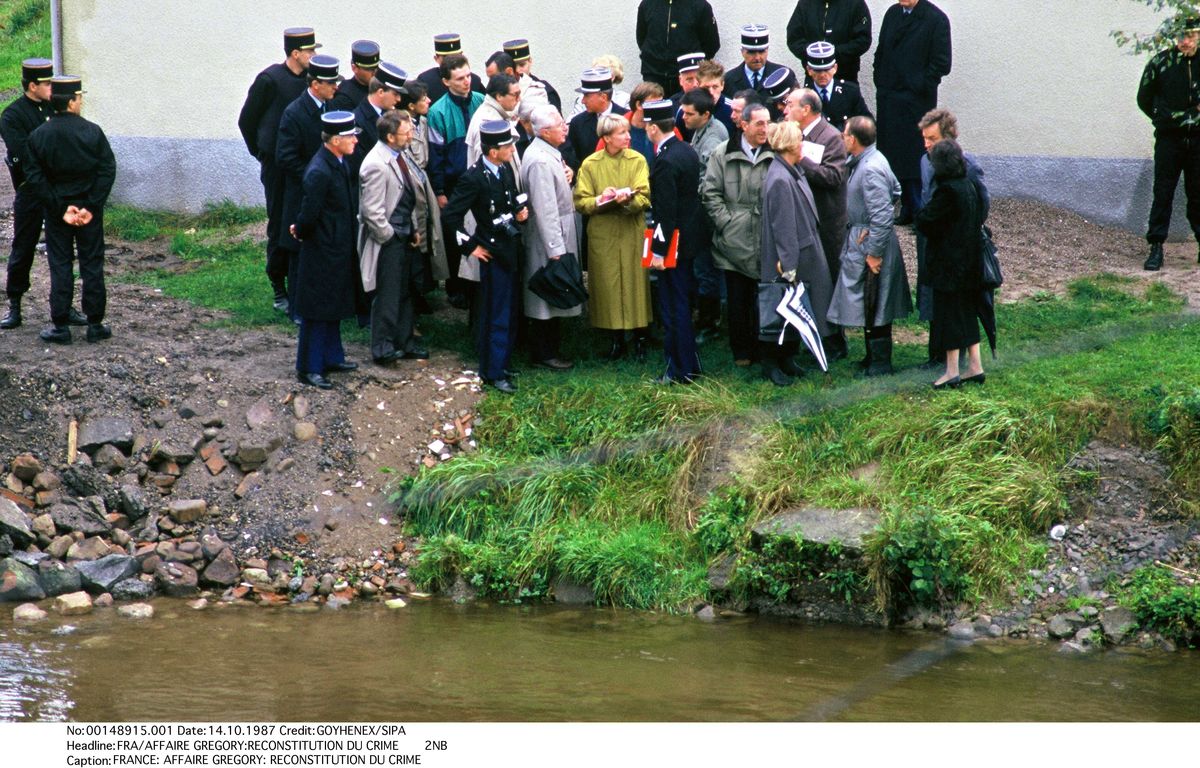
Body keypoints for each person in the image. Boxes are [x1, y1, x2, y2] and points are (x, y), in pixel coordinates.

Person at [23, 75, 116, 345]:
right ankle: (95, 324)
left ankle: (61, 326)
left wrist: (61, 208)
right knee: (92, 263)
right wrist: (90, 206)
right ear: (73, 102)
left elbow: (34, 176)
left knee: (60, 264)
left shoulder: (39, 135)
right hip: (89, 212)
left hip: (57, 212)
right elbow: (107, 169)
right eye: (79, 98)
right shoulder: (93, 132)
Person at [441, 121, 530, 394]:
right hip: (492, 253)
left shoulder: (503, 169)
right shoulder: (474, 178)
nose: (512, 150)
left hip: (510, 249)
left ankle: (503, 362)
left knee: (509, 311)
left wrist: (520, 214)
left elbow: (509, 201)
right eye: (508, 146)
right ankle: (493, 371)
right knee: (496, 314)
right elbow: (450, 217)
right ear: (493, 151)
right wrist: (471, 248)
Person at [237, 27, 320, 314]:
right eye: (310, 51)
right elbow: (247, 121)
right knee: (279, 221)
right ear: (295, 53)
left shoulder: (312, 80)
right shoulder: (270, 80)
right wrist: (261, 153)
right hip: (277, 166)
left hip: (303, 164)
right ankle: (278, 285)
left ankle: (302, 282)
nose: (314, 55)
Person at [827, 116, 912, 376]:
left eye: (844, 134)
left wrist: (874, 251)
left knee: (877, 299)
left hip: (873, 244)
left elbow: (883, 216)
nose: (842, 138)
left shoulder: (870, 168)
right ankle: (871, 357)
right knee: (869, 299)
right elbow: (896, 190)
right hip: (866, 236)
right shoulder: (871, 159)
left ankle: (880, 363)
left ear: (853, 139)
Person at [289, 111, 360, 389]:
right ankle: (309, 367)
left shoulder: (338, 162)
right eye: (350, 136)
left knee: (333, 304)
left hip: (337, 246)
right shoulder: (320, 170)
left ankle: (332, 356)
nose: (355, 140)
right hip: (322, 249)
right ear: (335, 140)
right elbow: (309, 212)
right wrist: (300, 230)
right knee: (317, 309)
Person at [759, 120, 832, 386]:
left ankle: (787, 358)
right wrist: (789, 264)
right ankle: (771, 363)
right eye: (800, 140)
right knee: (778, 309)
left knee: (794, 308)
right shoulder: (780, 178)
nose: (803, 144)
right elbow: (784, 226)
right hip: (788, 257)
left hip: (801, 252)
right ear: (790, 145)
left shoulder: (790, 170)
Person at [701, 102, 774, 367]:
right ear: (743, 125)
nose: (765, 128)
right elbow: (710, 193)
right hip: (733, 239)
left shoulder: (775, 151)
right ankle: (741, 350)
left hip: (766, 235)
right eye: (759, 123)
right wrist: (726, 223)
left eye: (768, 122)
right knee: (738, 297)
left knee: (765, 296)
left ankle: (765, 347)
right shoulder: (722, 153)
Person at [914, 107, 988, 365]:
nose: (926, 144)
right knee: (931, 294)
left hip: (956, 244)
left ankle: (956, 358)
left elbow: (981, 202)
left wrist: (962, 230)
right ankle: (938, 353)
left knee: (954, 298)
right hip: (932, 240)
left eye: (932, 139)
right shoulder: (925, 161)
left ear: (949, 136)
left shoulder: (967, 165)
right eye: (924, 138)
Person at [358, 109, 428, 366]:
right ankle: (383, 347)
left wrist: (413, 228)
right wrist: (389, 237)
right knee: (388, 294)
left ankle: (404, 341)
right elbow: (372, 211)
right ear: (390, 136)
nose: (411, 136)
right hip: (389, 240)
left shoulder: (399, 155)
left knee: (405, 291)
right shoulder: (376, 164)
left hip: (404, 233)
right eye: (406, 132)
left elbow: (407, 197)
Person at [784, 87, 849, 359]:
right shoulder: (794, 134)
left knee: (829, 282)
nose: (785, 110)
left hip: (827, 224)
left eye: (790, 105)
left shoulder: (830, 137)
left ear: (806, 109)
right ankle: (810, 336)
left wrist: (802, 160)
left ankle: (834, 342)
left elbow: (834, 177)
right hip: (804, 222)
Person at [275, 54, 342, 320]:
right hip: (303, 191)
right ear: (315, 85)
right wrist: (315, 177)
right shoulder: (294, 113)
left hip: (326, 191)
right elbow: (285, 157)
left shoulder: (330, 107)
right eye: (331, 83)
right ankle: (297, 308)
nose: (336, 87)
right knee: (299, 252)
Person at [1, 58, 65, 331]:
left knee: (61, 249)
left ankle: (65, 305)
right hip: (30, 189)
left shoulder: (54, 108)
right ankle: (14, 304)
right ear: (31, 86)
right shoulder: (12, 115)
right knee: (23, 246)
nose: (51, 88)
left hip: (57, 188)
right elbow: (22, 152)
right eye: (47, 84)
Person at [874, 0, 952, 225]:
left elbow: (941, 63)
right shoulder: (892, 14)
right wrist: (881, 80)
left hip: (916, 101)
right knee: (893, 152)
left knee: (913, 153)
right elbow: (882, 51)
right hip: (890, 97)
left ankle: (919, 210)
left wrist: (919, 84)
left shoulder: (935, 19)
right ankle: (907, 207)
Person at [644, 98, 703, 384]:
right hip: (688, 239)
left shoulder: (665, 161)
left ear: (653, 128)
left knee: (673, 307)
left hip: (673, 244)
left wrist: (658, 251)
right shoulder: (685, 150)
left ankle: (679, 369)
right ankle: (691, 363)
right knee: (682, 303)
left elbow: (665, 213)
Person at [520, 105, 580, 370]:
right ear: (545, 132)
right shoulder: (541, 161)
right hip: (550, 236)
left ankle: (550, 348)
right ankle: (544, 352)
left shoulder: (547, 153)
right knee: (547, 292)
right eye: (559, 125)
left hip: (558, 229)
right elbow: (545, 208)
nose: (565, 128)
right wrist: (556, 248)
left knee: (552, 291)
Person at [1139, 16, 1200, 270]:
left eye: (1191, 35)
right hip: (1169, 141)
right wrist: (1165, 119)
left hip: (1198, 141)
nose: (1185, 41)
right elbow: (1144, 98)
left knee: (1198, 194)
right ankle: (1156, 247)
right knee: (1162, 193)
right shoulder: (1161, 63)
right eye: (1180, 36)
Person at [427, 53, 485, 308]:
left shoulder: (481, 101)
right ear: (446, 81)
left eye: (468, 75)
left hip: (480, 181)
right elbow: (435, 155)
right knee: (456, 236)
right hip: (454, 184)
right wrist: (440, 190)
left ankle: (477, 284)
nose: (466, 81)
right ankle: (456, 288)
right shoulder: (437, 112)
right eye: (460, 78)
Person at [681, 88, 727, 341]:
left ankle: (709, 322)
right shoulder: (701, 129)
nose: (684, 118)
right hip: (702, 208)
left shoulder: (712, 137)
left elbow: (709, 178)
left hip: (707, 211)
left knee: (706, 266)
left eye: (689, 114)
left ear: (706, 114)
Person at [636, 0, 720, 95]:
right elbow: (641, 39)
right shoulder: (647, 4)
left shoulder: (700, 6)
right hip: (653, 76)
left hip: (687, 78)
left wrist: (693, 67)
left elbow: (711, 44)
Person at [786, 0, 873, 83]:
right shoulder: (805, 4)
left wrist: (833, 53)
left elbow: (863, 40)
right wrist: (815, 54)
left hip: (846, 77)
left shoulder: (855, 3)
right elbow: (794, 39)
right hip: (813, 77)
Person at [563, 68, 628, 173]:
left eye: (586, 95)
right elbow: (573, 159)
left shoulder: (626, 118)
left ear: (603, 97)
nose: (583, 101)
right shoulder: (578, 123)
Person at [349, 62, 408, 176]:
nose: (399, 99)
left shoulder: (391, 115)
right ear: (381, 92)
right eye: (395, 94)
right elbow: (359, 166)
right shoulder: (358, 122)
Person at [803, 41, 872, 131]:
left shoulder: (850, 92)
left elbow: (867, 123)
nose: (822, 75)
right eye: (818, 70)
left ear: (835, 68)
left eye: (827, 69)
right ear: (809, 70)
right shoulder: (803, 97)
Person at [723, 24, 796, 103]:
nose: (757, 58)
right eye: (751, 52)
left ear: (767, 50)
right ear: (742, 52)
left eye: (761, 52)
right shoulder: (729, 79)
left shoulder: (783, 76)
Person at [466, 74, 522, 168]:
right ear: (499, 96)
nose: (519, 99)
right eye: (515, 95)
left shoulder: (496, 114)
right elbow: (486, 168)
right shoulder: (488, 126)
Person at [416, 34, 485, 104]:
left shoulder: (475, 81)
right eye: (446, 57)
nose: (452, 61)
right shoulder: (425, 81)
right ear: (436, 58)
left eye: (456, 56)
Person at [504, 39, 563, 112]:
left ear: (530, 61)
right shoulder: (501, 92)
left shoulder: (545, 90)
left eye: (522, 65)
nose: (518, 70)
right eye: (513, 66)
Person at [330, 40, 380, 111]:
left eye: (376, 68)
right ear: (354, 68)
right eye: (370, 69)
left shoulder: (379, 87)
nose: (374, 73)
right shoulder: (345, 97)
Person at [399, 81, 432, 169]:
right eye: (424, 99)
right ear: (411, 106)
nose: (429, 100)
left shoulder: (423, 120)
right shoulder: (400, 127)